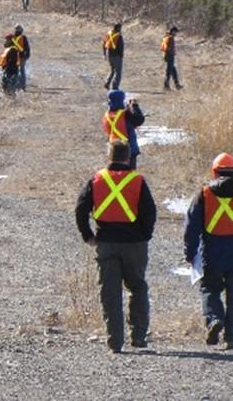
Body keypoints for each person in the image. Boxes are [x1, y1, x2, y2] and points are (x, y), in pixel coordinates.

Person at [75, 140, 156, 353]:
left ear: (109, 156)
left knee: (110, 293)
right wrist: (144, 235)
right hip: (135, 244)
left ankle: (115, 342)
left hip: (106, 243)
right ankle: (138, 336)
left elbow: (80, 209)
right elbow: (150, 212)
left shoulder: (96, 179)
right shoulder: (138, 181)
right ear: (128, 157)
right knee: (137, 287)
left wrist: (88, 235)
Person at [184, 152, 233, 349]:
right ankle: (231, 338)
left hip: (211, 255)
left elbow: (191, 227)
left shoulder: (203, 194)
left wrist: (190, 253)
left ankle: (214, 320)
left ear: (214, 172)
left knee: (209, 290)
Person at [102, 89, 145, 169]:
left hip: (113, 149)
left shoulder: (107, 116)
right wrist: (134, 106)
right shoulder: (125, 114)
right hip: (129, 150)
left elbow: (107, 130)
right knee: (130, 175)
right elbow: (139, 120)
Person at [161, 25, 183, 90]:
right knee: (169, 71)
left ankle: (177, 85)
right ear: (173, 31)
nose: (176, 33)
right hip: (170, 56)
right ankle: (166, 86)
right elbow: (169, 48)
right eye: (176, 32)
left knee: (173, 70)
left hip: (166, 55)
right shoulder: (170, 38)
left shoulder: (166, 36)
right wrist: (172, 54)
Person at [103, 23, 124, 90]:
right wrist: (121, 55)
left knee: (112, 70)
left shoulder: (109, 34)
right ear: (118, 28)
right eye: (120, 28)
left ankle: (107, 83)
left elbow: (104, 44)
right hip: (117, 56)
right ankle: (115, 86)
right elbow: (121, 47)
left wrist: (104, 54)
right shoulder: (119, 36)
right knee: (118, 72)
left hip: (109, 55)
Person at [11, 24, 31, 91]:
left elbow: (27, 48)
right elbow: (27, 47)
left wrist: (27, 55)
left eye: (17, 29)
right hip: (17, 56)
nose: (17, 30)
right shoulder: (15, 37)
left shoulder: (19, 37)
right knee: (19, 71)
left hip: (19, 56)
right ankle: (20, 85)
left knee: (20, 71)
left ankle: (21, 86)